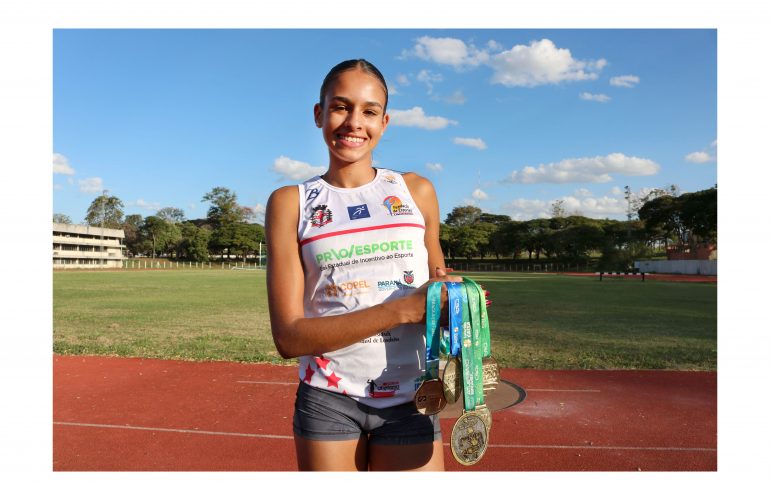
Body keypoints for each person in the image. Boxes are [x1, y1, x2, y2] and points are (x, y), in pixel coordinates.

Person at [265, 58, 460, 471]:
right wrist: (400, 310)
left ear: (384, 122)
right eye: (340, 106)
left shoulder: (415, 191)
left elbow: (437, 291)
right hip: (329, 398)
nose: (354, 122)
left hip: (412, 398)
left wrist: (457, 305)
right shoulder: (290, 203)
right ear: (319, 114)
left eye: (369, 111)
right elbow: (289, 338)